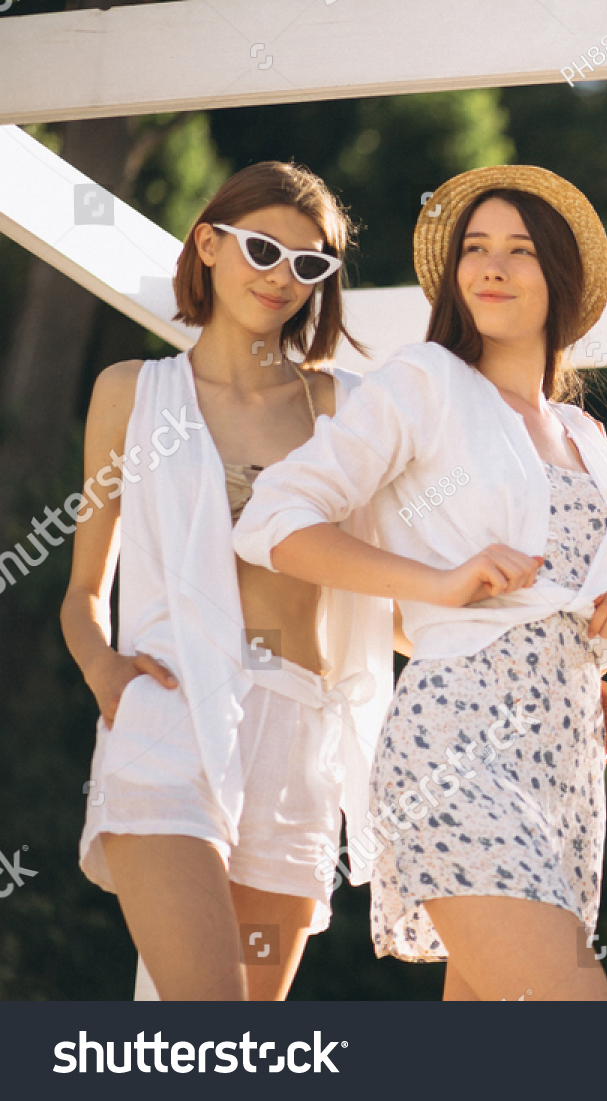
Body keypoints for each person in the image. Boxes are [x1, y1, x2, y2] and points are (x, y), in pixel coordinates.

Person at [233, 165, 607, 1002]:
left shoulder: (582, 434)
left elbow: (551, 593)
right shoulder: (426, 382)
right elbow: (273, 519)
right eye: (475, 248)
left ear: (561, 276)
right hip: (456, 748)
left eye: (520, 250)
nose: (491, 267)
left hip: (564, 764)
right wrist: (438, 582)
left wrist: (606, 631)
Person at [61, 162, 393, 1000]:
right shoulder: (131, 392)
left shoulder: (347, 409)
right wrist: (107, 677)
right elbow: (83, 591)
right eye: (262, 249)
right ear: (207, 243)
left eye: (310, 265)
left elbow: (401, 587)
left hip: (299, 734)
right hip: (169, 713)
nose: (284, 276)